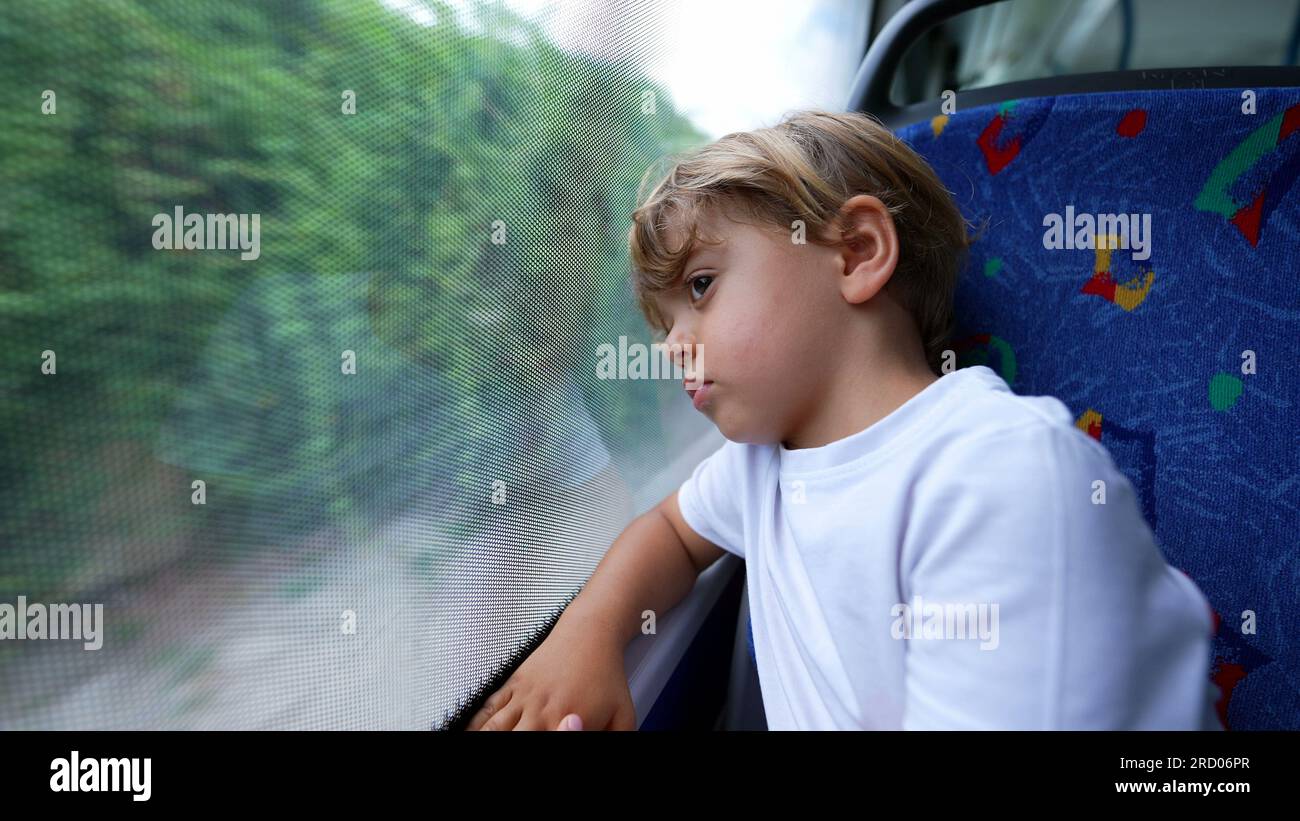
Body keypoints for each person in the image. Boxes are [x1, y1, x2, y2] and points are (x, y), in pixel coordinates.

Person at [467, 109, 1220, 731]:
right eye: (662, 328)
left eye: (701, 286)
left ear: (856, 252)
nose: (673, 349)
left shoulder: (999, 476)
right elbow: (668, 530)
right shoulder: (764, 464)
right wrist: (588, 633)